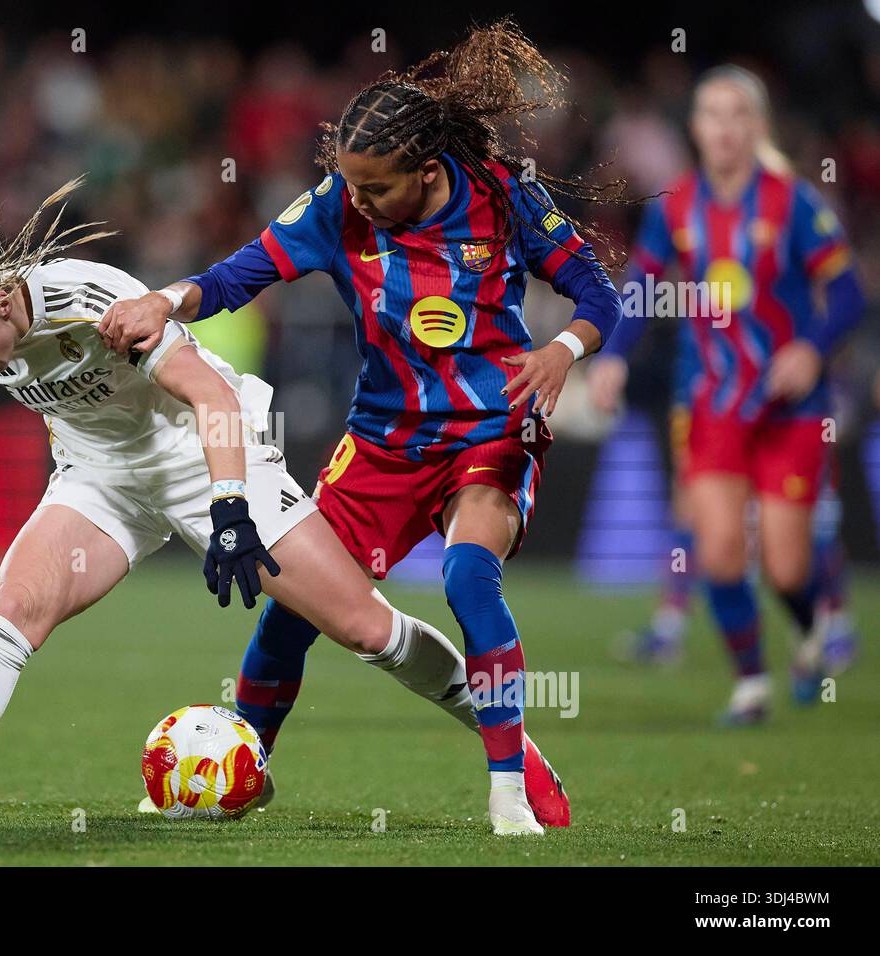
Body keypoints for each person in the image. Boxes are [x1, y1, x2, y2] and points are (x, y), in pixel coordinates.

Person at [0, 178, 568, 831]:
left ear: (3, 304)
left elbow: (212, 397)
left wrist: (229, 509)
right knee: (14, 609)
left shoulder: (96, 305)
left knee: (366, 629)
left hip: (203, 453)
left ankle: (512, 746)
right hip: (99, 474)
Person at [99, 21, 621, 833]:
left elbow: (599, 295)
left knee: (465, 580)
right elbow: (240, 275)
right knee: (292, 607)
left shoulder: (503, 194)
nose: (362, 202)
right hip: (382, 438)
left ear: (424, 168)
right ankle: (250, 766)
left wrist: (562, 347)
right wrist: (165, 300)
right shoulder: (337, 206)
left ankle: (509, 785)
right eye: (352, 184)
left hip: (491, 427)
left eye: (377, 187)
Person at [586, 65, 865, 723]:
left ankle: (809, 628)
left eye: (738, 114)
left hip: (790, 408)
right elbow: (645, 288)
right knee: (716, 549)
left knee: (788, 567)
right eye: (712, 114)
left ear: (758, 127)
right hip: (712, 401)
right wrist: (613, 359)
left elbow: (850, 293)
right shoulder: (678, 205)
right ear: (697, 128)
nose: (724, 127)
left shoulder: (794, 203)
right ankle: (751, 684)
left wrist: (809, 348)